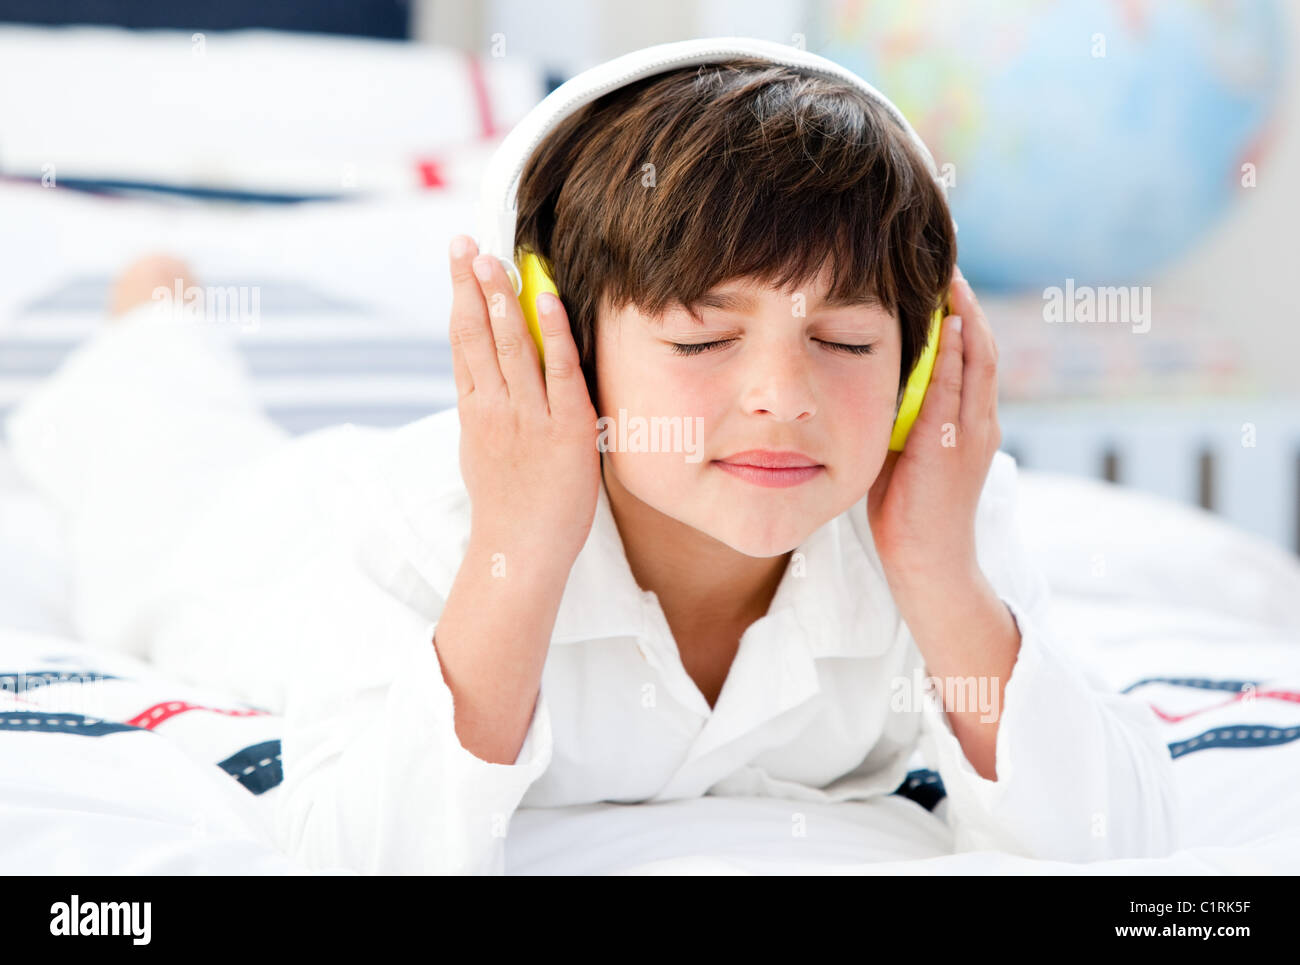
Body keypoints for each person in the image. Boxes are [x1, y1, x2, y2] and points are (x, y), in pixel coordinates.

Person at [5, 58, 1179, 875]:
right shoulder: (419, 522)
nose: (781, 393)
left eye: (846, 340)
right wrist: (520, 541)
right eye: (702, 338)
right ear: (558, 337)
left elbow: (1107, 840)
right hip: (267, 532)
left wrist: (934, 564)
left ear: (919, 360)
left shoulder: (938, 515)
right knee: (159, 446)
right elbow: (363, 856)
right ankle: (154, 313)